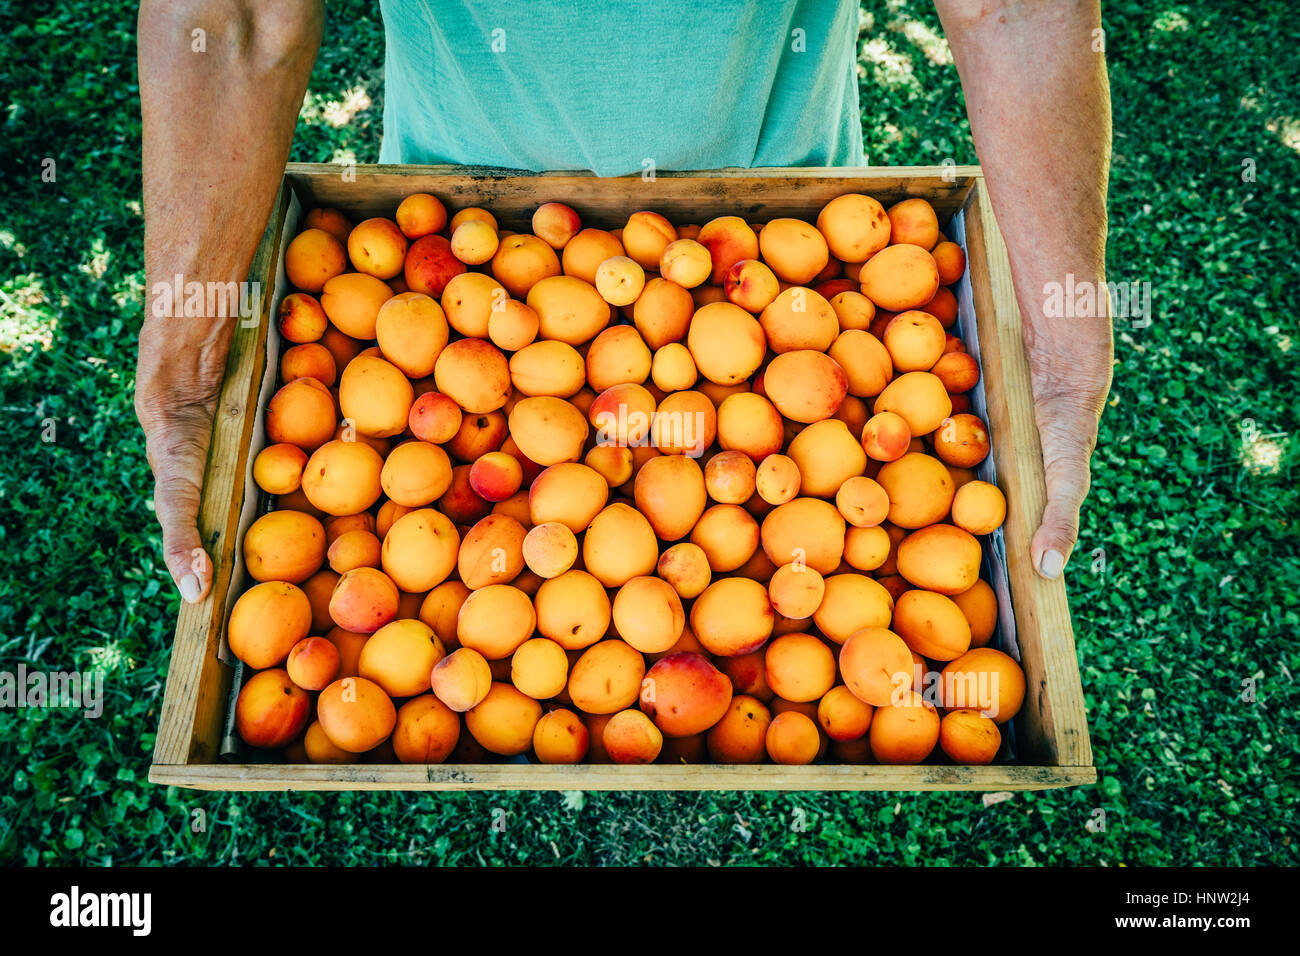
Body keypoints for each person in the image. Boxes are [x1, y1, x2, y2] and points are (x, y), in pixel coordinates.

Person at [135, 0, 1112, 604]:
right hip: (455, 238)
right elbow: (231, 19)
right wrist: (183, 354)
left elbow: (1017, 7)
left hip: (791, 241)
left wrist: (1064, 327)